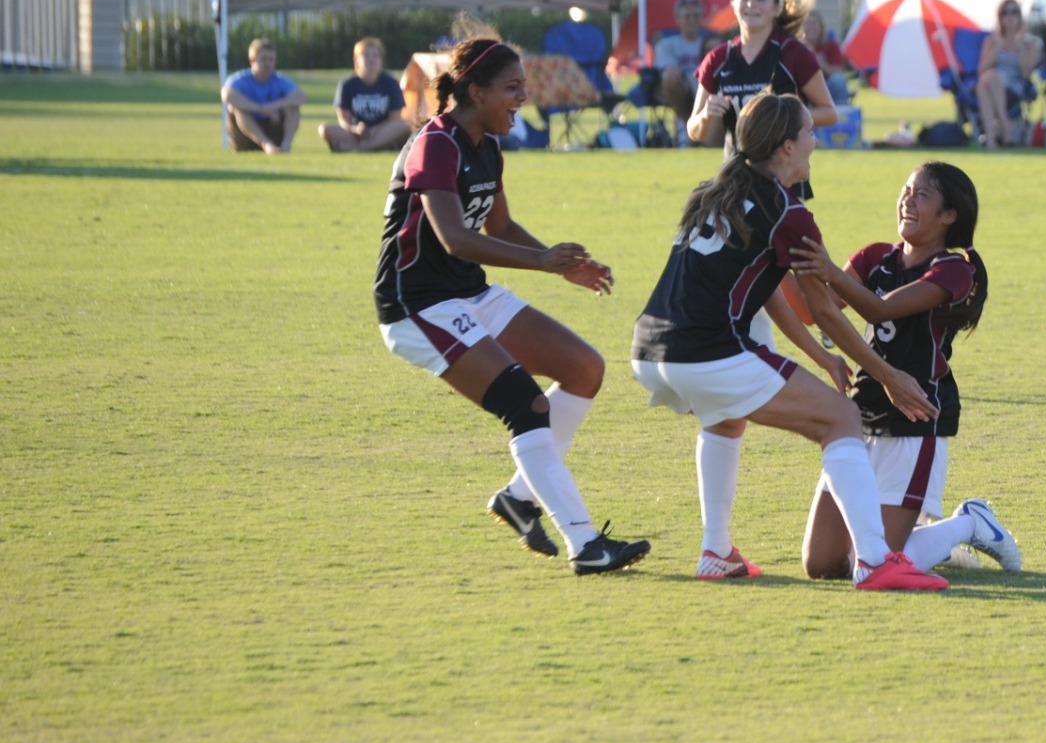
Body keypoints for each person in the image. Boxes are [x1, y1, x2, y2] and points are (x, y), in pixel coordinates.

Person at [631, 92, 947, 591]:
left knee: (726, 417)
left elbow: (767, 291)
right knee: (841, 418)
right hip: (706, 351)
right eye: (809, 133)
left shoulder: (714, 190)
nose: (815, 142)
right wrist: (886, 375)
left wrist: (822, 357)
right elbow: (820, 308)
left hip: (648, 350)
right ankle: (873, 561)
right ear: (785, 148)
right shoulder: (787, 211)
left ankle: (716, 551)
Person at [374, 34, 649, 576]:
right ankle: (585, 544)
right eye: (512, 87)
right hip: (416, 307)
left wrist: (560, 262)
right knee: (527, 408)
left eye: (524, 86)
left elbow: (497, 228)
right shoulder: (436, 144)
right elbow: (455, 237)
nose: (524, 97)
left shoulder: (488, 146)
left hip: (465, 293)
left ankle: (520, 498)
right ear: (474, 91)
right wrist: (542, 262)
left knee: (584, 368)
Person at [788, 162, 1023, 580]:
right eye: (905, 190)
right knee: (822, 565)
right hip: (860, 415)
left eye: (922, 195)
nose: (907, 200)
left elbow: (879, 309)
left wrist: (826, 272)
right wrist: (780, 258)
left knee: (876, 561)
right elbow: (812, 309)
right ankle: (927, 539)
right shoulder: (875, 257)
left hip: (915, 419)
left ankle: (970, 522)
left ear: (949, 216)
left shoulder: (954, 269)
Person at [687, 0, 837, 168]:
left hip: (785, 176)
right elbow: (694, 131)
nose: (751, 4)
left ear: (776, 7)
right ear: (733, 4)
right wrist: (706, 115)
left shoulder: (794, 54)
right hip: (736, 177)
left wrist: (785, 119)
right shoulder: (718, 58)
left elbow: (829, 113)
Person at [319, 37, 412, 153]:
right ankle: (375, 147)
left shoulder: (391, 83)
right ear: (356, 60)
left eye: (375, 55)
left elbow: (395, 118)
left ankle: (361, 148)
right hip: (355, 133)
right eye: (366, 55)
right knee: (325, 129)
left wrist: (376, 129)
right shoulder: (347, 84)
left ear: (381, 59)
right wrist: (355, 129)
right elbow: (343, 118)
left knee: (404, 125)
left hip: (382, 131)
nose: (371, 59)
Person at [974, 0, 1041, 149]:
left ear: (1020, 16)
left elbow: (1026, 74)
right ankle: (1002, 134)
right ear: (1000, 17)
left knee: (987, 81)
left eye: (1014, 12)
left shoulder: (1031, 42)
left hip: (1015, 88)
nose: (1009, 16)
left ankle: (994, 136)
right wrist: (997, 48)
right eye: (1005, 13)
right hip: (991, 84)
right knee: (987, 79)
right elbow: (981, 70)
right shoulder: (992, 40)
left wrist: (1020, 47)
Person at [221, 38, 307, 154]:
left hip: (272, 127)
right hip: (245, 133)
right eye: (264, 59)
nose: (268, 64)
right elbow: (227, 95)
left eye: (271, 60)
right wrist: (260, 109)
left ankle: (286, 145)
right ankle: (266, 144)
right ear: (252, 60)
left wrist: (275, 106)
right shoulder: (240, 80)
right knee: (237, 109)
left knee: (292, 108)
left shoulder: (279, 80)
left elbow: (301, 96)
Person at [652, 0, 709, 145]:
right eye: (687, 16)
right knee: (671, 76)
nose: (692, 20)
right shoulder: (665, 45)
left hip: (707, 89)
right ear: (678, 19)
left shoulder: (710, 44)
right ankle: (688, 126)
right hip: (679, 91)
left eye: (696, 15)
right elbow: (668, 72)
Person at [801, 10, 852, 106]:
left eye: (815, 23)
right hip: (807, 88)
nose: (812, 27)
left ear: (821, 27)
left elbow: (840, 71)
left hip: (827, 86)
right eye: (808, 23)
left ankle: (839, 115)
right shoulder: (798, 46)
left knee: (838, 80)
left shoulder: (831, 45)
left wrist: (821, 64)